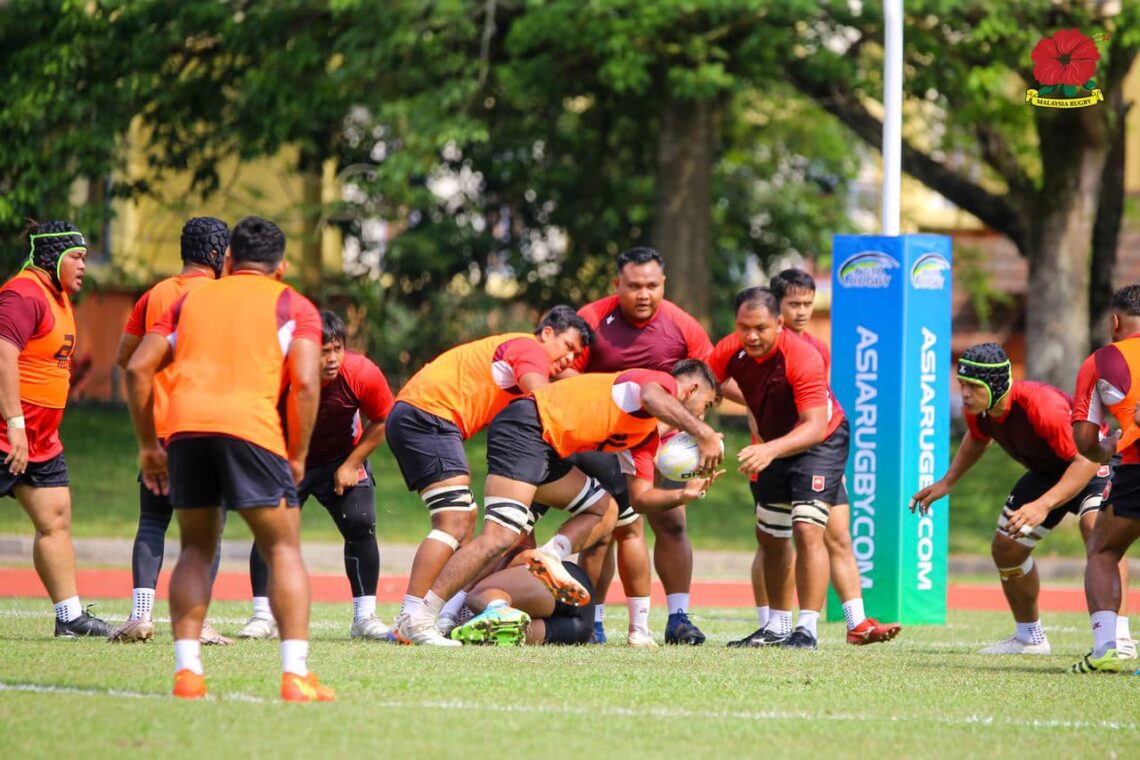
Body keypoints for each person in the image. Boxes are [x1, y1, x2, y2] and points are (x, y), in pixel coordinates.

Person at [125, 216, 334, 702]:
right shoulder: (293, 304)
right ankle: (295, 675)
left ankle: (188, 672)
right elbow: (305, 382)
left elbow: (137, 367)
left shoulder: (188, 298)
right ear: (281, 266)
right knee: (282, 548)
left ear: (228, 260)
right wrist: (298, 455)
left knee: (195, 548)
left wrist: (147, 446)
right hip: (252, 429)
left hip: (186, 430)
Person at [394, 360, 724, 646]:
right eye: (706, 406)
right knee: (500, 536)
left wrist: (683, 495)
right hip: (527, 427)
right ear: (692, 390)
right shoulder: (656, 382)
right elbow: (654, 397)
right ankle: (419, 616)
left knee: (605, 509)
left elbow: (639, 499)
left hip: (548, 449)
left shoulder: (644, 436)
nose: (702, 416)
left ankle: (547, 557)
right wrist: (704, 434)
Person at [386, 307, 592, 641]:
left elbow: (558, 387)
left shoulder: (526, 351)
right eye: (568, 347)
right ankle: (413, 618)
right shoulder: (530, 349)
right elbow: (544, 400)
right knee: (454, 521)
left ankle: (438, 614)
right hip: (429, 416)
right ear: (548, 333)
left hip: (424, 416)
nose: (570, 358)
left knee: (465, 525)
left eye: (577, 354)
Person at [910, 342, 1129, 656]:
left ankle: (1118, 639)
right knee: (1007, 549)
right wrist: (947, 482)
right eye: (962, 385)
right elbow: (978, 439)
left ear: (996, 385)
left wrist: (1043, 505)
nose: (965, 393)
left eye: (973, 386)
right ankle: (1030, 638)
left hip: (1094, 464)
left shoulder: (1041, 406)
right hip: (1049, 471)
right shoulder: (982, 411)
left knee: (1099, 534)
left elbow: (1086, 461)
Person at [571, 246, 714, 647]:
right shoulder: (592, 320)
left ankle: (679, 618)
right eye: (634, 286)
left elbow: (705, 383)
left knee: (671, 521)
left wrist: (699, 434)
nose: (644, 294)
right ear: (617, 283)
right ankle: (594, 623)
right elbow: (565, 372)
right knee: (605, 529)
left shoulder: (684, 327)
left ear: (663, 283)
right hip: (601, 440)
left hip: (662, 441)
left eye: (652, 285)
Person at [108, 217, 233, 645]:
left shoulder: (154, 295)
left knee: (152, 521)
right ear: (218, 254)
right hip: (209, 427)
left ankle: (140, 615)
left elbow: (126, 358)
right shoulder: (223, 296)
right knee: (209, 527)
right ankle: (198, 621)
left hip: (162, 428)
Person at [239, 310, 394, 641]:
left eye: (337, 348)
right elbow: (255, 417)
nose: (332, 358)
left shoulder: (362, 372)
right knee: (271, 529)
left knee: (360, 522)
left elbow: (382, 420)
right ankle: (262, 616)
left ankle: (364, 617)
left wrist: (352, 464)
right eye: (324, 350)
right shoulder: (279, 373)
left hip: (340, 456)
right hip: (287, 457)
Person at [710, 287, 848, 650]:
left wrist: (769, 449)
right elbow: (702, 388)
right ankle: (777, 626)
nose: (751, 336)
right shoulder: (729, 349)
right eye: (743, 327)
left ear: (779, 324)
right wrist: (696, 435)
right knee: (771, 538)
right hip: (773, 444)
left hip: (820, 442)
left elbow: (815, 426)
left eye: (760, 328)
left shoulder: (802, 357)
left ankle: (807, 628)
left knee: (806, 529)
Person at [769, 269, 900, 644]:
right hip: (778, 455)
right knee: (776, 541)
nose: (802, 311)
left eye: (808, 304)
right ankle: (773, 623)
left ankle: (856, 623)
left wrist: (831, 463)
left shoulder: (816, 349)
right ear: (774, 304)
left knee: (838, 536)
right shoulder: (761, 346)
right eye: (794, 303)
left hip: (820, 452)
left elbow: (818, 405)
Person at [0, 221, 110, 638]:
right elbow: (3, 359)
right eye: (77, 258)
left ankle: (70, 617)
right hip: (7, 433)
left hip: (41, 440)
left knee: (56, 519)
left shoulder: (57, 296)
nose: (83, 266)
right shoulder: (22, 294)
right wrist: (14, 425)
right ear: (53, 257)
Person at [1069, 285, 1140, 673]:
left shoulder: (1101, 361)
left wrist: (1108, 447)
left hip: (1134, 467)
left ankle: (1106, 649)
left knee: (1103, 550)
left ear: (1115, 321)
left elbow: (1084, 442)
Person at [450, 553, 597, 647]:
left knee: (475, 595)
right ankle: (499, 611)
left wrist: (450, 610)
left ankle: (498, 608)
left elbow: (513, 550)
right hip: (578, 629)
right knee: (466, 633)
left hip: (561, 581)